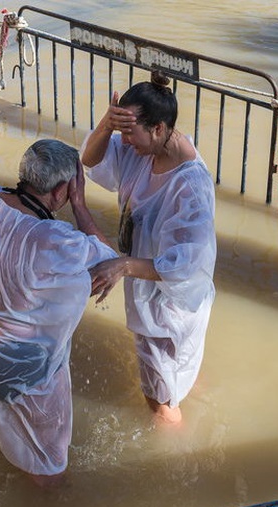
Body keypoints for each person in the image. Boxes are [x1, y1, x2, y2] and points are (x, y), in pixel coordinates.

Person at [0, 139, 115, 486]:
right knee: (50, 466)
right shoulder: (54, 239)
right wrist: (81, 205)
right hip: (17, 365)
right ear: (62, 191)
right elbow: (109, 260)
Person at [81, 71, 217, 425]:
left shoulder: (190, 186)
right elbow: (91, 160)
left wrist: (122, 266)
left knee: (159, 403)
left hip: (171, 303)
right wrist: (105, 126)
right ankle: (192, 400)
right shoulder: (143, 150)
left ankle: (172, 463)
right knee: (182, 370)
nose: (124, 142)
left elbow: (184, 264)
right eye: (121, 132)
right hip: (154, 293)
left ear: (158, 128)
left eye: (130, 132)